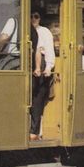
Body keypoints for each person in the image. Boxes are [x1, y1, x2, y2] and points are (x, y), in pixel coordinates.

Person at [29, 12, 55, 140]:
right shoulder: (26, 30)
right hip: (28, 62)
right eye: (31, 16)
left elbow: (48, 50)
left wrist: (48, 67)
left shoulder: (44, 31)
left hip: (41, 63)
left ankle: (34, 130)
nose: (33, 19)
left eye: (36, 16)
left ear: (40, 18)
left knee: (37, 98)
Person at [0, 2, 20, 70]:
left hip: (11, 58)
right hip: (21, 59)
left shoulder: (12, 20)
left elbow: (3, 38)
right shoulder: (24, 22)